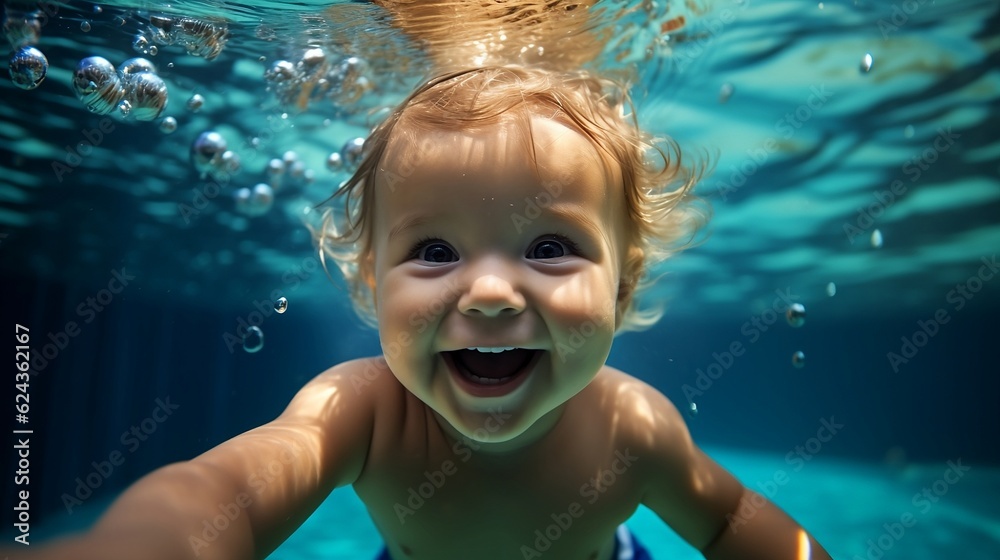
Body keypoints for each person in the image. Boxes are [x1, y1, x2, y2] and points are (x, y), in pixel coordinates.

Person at [7, 64, 832, 560]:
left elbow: (729, 523)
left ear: (622, 286)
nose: (490, 293)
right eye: (435, 252)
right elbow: (235, 488)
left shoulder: (633, 427)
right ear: (372, 287)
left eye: (549, 247)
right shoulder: (361, 410)